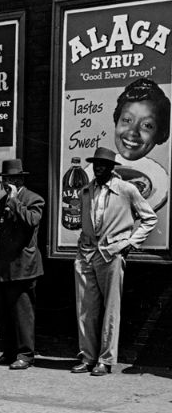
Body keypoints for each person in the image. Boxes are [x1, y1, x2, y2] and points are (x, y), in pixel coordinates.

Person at [73, 147, 157, 376]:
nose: (98, 168)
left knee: (111, 308)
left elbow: (150, 218)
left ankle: (105, 360)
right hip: (86, 254)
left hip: (111, 253)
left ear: (111, 168)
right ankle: (87, 357)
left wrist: (130, 242)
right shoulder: (86, 190)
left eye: (103, 165)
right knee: (85, 309)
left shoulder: (127, 189)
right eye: (96, 164)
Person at [0, 159, 45, 370]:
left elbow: (31, 221)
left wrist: (14, 201)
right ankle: (9, 351)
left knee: (23, 313)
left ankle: (26, 354)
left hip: (24, 267)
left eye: (11, 179)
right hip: (5, 267)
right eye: (5, 179)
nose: (7, 183)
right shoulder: (3, 201)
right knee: (7, 313)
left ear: (20, 180)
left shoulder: (33, 199)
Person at [112, 77, 170, 162]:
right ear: (117, 121)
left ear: (161, 133)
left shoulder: (160, 174)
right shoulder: (90, 171)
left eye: (147, 125)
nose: (133, 132)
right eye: (127, 120)